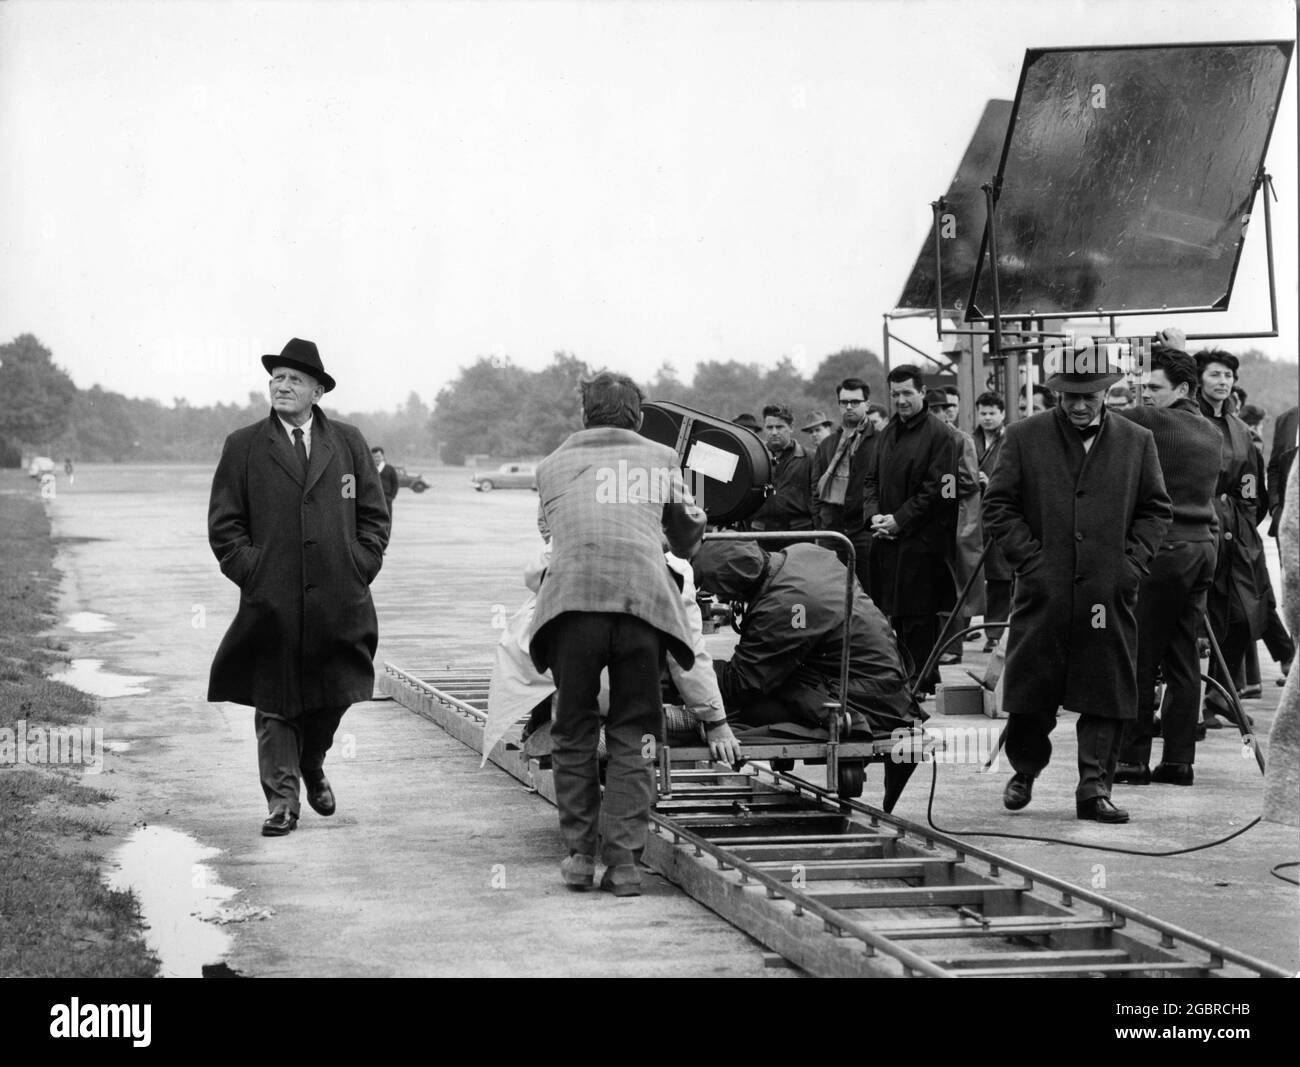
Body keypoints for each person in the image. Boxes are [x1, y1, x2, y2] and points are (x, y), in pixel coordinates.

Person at [530, 371, 707, 896]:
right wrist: (693, 522)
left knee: (574, 728)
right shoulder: (660, 458)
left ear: (585, 413)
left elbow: (550, 530)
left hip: (571, 608)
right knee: (638, 728)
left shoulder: (550, 464)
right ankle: (626, 864)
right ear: (636, 415)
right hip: (641, 607)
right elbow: (683, 538)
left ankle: (582, 858)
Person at [208, 338, 391, 837]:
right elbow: (225, 525)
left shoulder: (349, 443)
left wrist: (361, 562)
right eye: (276, 378)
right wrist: (253, 571)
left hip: (339, 597)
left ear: (317, 390)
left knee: (336, 692)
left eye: (293, 379)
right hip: (272, 599)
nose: (281, 385)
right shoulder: (244, 445)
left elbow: (373, 514)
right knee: (275, 699)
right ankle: (283, 802)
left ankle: (312, 762)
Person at [983, 359, 1171, 823]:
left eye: (1090, 396)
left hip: (1107, 593)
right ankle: (1025, 769)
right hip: (1045, 591)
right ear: (1056, 395)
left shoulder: (1136, 441)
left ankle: (1093, 789)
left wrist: (1130, 566)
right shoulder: (1025, 437)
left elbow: (1156, 510)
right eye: (1071, 397)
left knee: (1105, 688)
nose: (1080, 406)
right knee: (1031, 687)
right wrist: (1031, 560)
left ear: (1106, 394)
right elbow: (998, 506)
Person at [1112, 348, 1221, 786]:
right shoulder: (1210, 430)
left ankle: (1131, 761)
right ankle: (1178, 762)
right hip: (1201, 551)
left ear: (1181, 389)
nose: (1145, 395)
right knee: (1182, 660)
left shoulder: (1150, 421)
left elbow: (1100, 414)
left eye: (1154, 387)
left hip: (1165, 553)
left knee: (1138, 656)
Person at [691, 540, 925, 738]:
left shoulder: (784, 606)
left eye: (717, 592)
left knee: (750, 710)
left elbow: (742, 682)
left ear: (733, 587)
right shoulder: (803, 552)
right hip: (885, 682)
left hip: (869, 700)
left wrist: (687, 669)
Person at [1195, 350, 1280, 727]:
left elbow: (1252, 487)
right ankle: (1180, 706)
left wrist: (1243, 517)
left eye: (1228, 375)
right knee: (1196, 617)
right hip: (1198, 528)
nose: (1223, 381)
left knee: (1245, 616)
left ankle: (1218, 692)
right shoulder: (1187, 421)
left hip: (1238, 535)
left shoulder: (1240, 428)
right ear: (1198, 379)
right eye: (1215, 374)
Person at [864, 365, 959, 697]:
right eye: (895, 394)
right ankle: (907, 678)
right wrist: (874, 516)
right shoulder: (887, 433)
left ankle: (919, 682)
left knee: (918, 616)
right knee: (894, 615)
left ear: (922, 393)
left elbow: (942, 491)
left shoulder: (942, 436)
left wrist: (900, 520)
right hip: (886, 539)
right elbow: (871, 481)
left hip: (922, 542)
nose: (901, 400)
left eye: (907, 393)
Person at [810, 378, 878, 596]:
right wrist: (821, 520)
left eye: (855, 402)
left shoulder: (880, 441)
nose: (849, 407)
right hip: (832, 529)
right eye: (844, 402)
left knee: (869, 594)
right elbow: (815, 487)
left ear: (867, 404)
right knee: (833, 594)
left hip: (866, 530)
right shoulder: (828, 444)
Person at [931, 386, 984, 665]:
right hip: (933, 522)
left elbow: (967, 480)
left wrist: (936, 490)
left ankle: (954, 647)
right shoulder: (927, 439)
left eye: (942, 409)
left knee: (954, 586)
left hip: (954, 522)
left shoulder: (959, 440)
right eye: (933, 410)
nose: (939, 415)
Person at [973, 391, 1010, 651]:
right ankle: (966, 629)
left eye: (992, 413)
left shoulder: (1010, 440)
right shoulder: (967, 440)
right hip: (971, 517)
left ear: (1002, 414)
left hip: (997, 516)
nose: (987, 418)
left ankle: (994, 632)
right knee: (969, 575)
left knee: (999, 577)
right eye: (983, 413)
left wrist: (992, 482)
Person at [749, 403, 813, 531]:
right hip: (761, 531)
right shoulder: (753, 458)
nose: (774, 432)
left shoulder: (810, 457)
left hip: (800, 530)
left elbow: (818, 496)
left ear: (791, 428)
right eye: (769, 427)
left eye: (779, 427)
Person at [372, 446, 399, 514]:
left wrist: (391, 497)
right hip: (371, 500)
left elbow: (395, 484)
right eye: (374, 456)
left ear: (383, 456)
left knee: (386, 520)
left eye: (378, 456)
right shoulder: (369, 469)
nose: (376, 459)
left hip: (386, 500)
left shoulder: (390, 469)